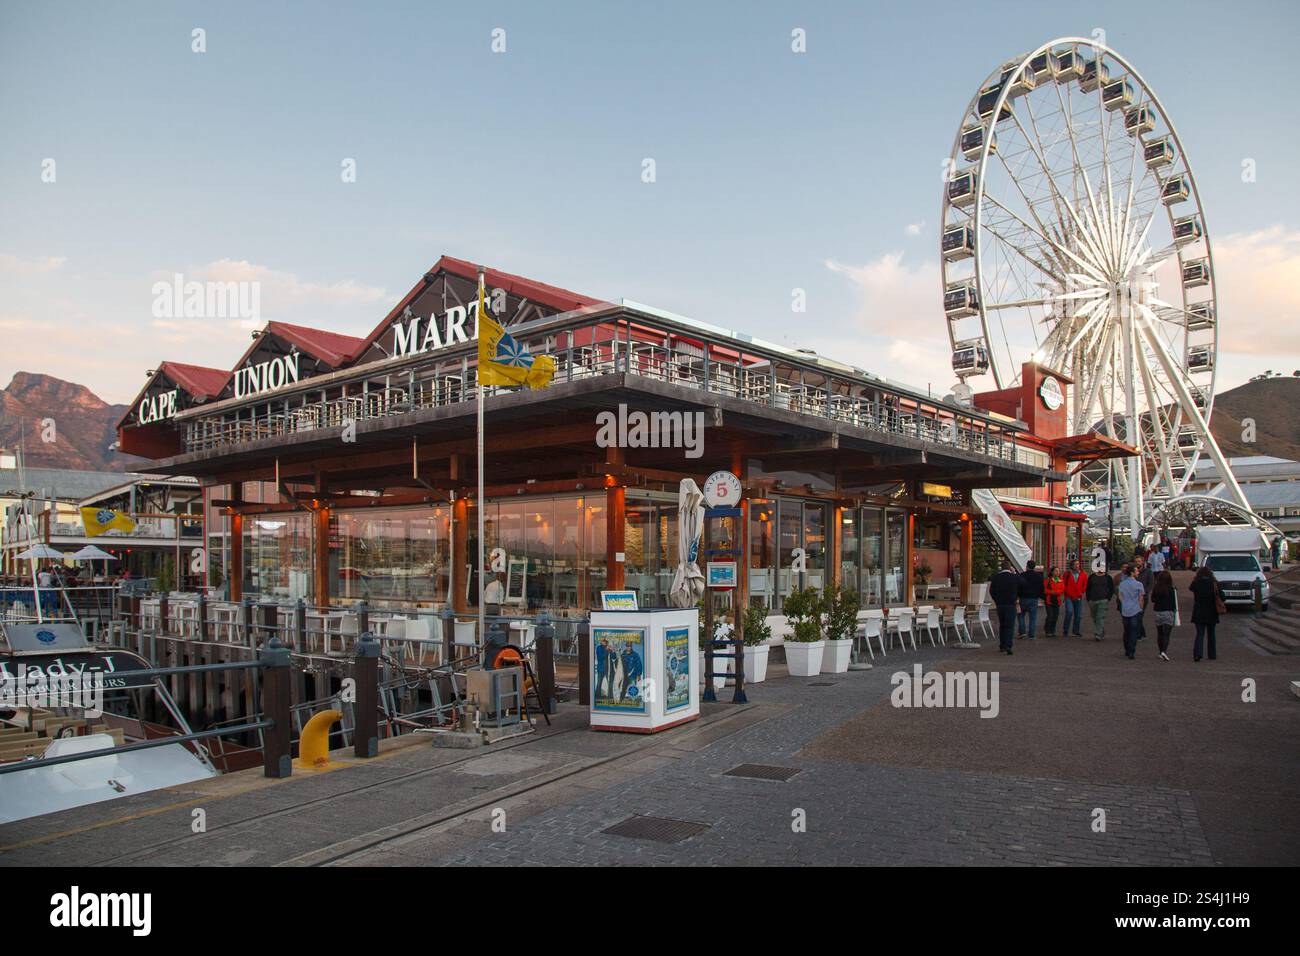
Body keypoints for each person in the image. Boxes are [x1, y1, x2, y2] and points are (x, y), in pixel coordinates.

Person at [1189, 566, 1223, 662]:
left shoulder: (1196, 582)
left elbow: (1191, 588)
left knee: (1200, 634)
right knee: (1211, 634)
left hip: (1199, 611)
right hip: (1211, 611)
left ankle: (1198, 653)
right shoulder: (1214, 583)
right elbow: (1222, 596)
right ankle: (1212, 654)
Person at [989, 562, 1020, 655]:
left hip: (1000, 605)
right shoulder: (1014, 577)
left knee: (1002, 625)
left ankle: (1002, 644)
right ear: (1010, 568)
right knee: (1010, 625)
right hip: (1011, 604)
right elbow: (1023, 584)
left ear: (1001, 568)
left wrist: (997, 600)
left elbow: (992, 591)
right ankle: (1008, 645)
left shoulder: (996, 577)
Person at [1118, 564, 1146, 660]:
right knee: (1134, 631)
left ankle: (1127, 649)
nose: (1138, 572)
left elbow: (1120, 596)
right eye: (1136, 571)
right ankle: (1132, 651)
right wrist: (1141, 608)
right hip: (1135, 609)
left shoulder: (1122, 584)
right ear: (1132, 573)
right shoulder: (1139, 584)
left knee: (1126, 631)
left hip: (1125, 609)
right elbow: (1141, 598)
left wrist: (1124, 603)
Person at [1151, 570, 1178, 661]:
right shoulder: (1171, 588)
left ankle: (1160, 651)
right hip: (1168, 611)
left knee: (1160, 633)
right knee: (1166, 634)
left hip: (1158, 611)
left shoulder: (1156, 588)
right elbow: (1174, 602)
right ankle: (1164, 651)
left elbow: (1153, 599)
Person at [1085, 562, 1114, 640]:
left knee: (1099, 617)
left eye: (1103, 566)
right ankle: (1101, 630)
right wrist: (1088, 598)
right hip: (1092, 600)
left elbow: (1111, 589)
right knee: (1094, 617)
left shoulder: (1108, 578)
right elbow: (1088, 588)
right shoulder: (1092, 577)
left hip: (1103, 600)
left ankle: (1098, 634)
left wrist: (1108, 598)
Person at [1017, 560, 1044, 640]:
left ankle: (1022, 632)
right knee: (1033, 617)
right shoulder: (1038, 576)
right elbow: (1041, 588)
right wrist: (1039, 596)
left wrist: (1018, 596)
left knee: (1021, 615)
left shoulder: (1022, 575)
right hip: (1033, 599)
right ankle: (1031, 635)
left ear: (1027, 566)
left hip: (1023, 598)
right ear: (1034, 566)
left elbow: (1018, 587)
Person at [1062, 558, 1087, 638]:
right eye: (1075, 564)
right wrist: (1066, 592)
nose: (1077, 566)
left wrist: (1081, 591)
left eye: (1078, 564)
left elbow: (1085, 584)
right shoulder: (1067, 574)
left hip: (1078, 596)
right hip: (1069, 596)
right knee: (1069, 612)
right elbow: (1063, 584)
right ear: (1071, 566)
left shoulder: (1083, 574)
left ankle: (1075, 631)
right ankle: (1065, 630)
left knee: (1078, 615)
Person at [1043, 566, 1064, 637]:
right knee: (1050, 615)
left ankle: (1052, 630)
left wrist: (1057, 592)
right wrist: (1053, 592)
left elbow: (1062, 589)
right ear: (1052, 572)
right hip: (1049, 600)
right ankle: (1048, 630)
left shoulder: (1060, 580)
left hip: (1057, 601)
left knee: (1055, 616)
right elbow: (1044, 590)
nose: (1057, 572)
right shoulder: (1047, 580)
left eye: (1058, 571)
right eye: (1056, 571)